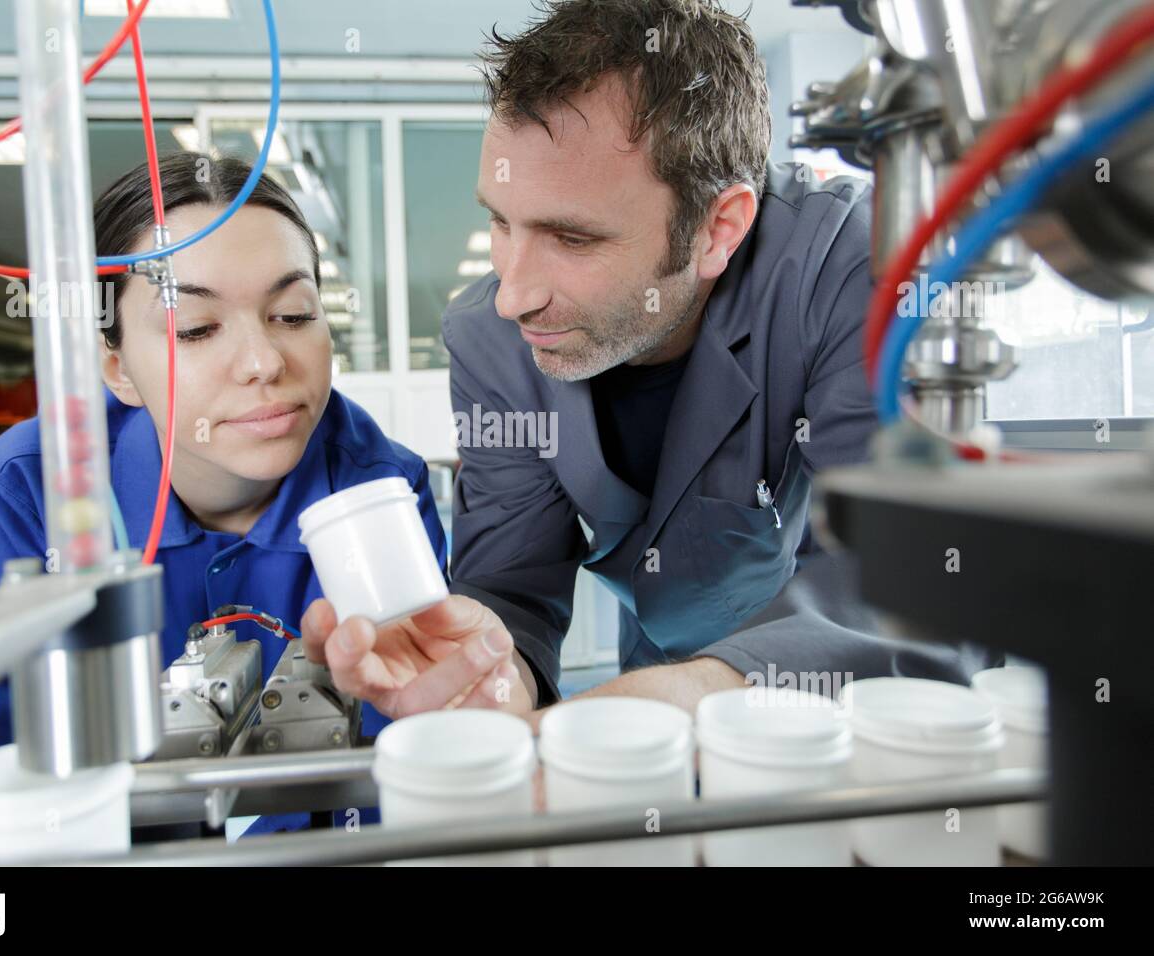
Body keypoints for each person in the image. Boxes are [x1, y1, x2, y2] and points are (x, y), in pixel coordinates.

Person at [303, 0, 994, 724]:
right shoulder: (487, 337)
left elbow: (919, 576)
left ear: (718, 228)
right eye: (500, 221)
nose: (512, 296)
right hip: (658, 663)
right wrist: (486, 673)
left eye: (571, 238)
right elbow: (510, 589)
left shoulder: (853, 266)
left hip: (832, 688)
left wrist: (694, 695)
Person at [0, 152, 522, 833]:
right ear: (116, 366)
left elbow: (394, 773)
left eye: (294, 314)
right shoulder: (31, 492)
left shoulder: (375, 488)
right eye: (197, 329)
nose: (265, 362)